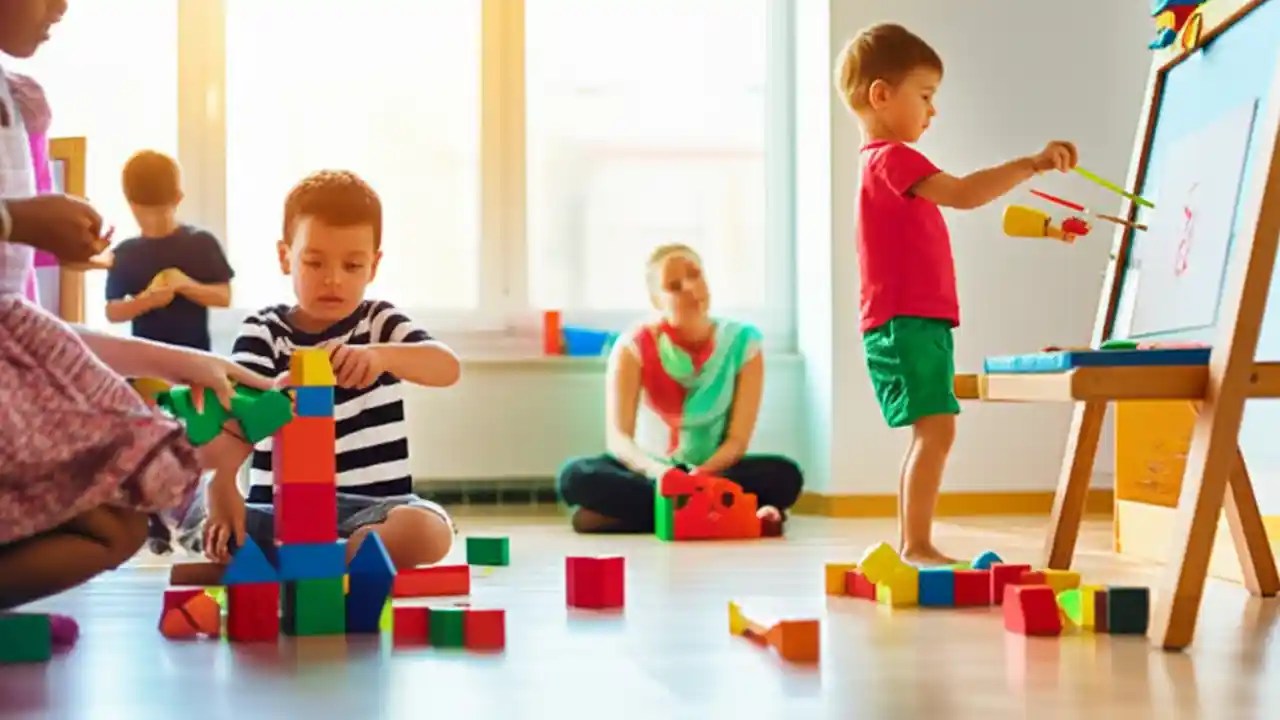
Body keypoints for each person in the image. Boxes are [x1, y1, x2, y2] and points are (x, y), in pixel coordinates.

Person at [0, 0, 272, 613]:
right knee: (134, 483)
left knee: (121, 518)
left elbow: (21, 326)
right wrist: (16, 219)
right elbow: (104, 313)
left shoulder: (19, 101)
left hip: (53, 374)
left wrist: (186, 362)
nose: (62, 7)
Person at [833, 23, 1079, 565]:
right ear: (881, 95)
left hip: (915, 319)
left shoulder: (881, 164)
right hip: (906, 320)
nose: (932, 111)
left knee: (935, 431)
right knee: (936, 431)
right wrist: (1032, 163)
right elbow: (965, 194)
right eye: (925, 96)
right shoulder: (891, 158)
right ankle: (916, 544)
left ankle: (914, 541)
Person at [177, 169, 463, 570]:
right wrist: (223, 481)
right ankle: (297, 558)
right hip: (277, 510)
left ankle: (330, 562)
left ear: (374, 266)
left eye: (352, 265)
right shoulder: (265, 330)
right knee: (208, 520)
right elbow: (232, 412)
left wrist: (383, 357)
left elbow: (446, 367)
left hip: (372, 509)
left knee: (429, 530)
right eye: (314, 262)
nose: (333, 279)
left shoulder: (378, 322)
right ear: (285, 257)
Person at [557, 243, 805, 534]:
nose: (690, 287)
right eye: (674, 286)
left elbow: (737, 440)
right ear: (656, 299)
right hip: (651, 473)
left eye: (695, 275)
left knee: (784, 476)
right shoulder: (633, 346)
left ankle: (641, 516)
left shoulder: (744, 343)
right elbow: (619, 439)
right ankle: (725, 512)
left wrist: (699, 477)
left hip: (714, 471)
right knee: (576, 476)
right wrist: (662, 474)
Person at [104, 149, 234, 351]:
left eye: (160, 212)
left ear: (178, 199)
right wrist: (147, 301)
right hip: (146, 365)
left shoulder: (201, 243)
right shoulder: (125, 253)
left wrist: (184, 284)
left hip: (194, 362)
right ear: (130, 205)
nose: (153, 222)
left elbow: (224, 297)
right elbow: (113, 312)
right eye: (144, 213)